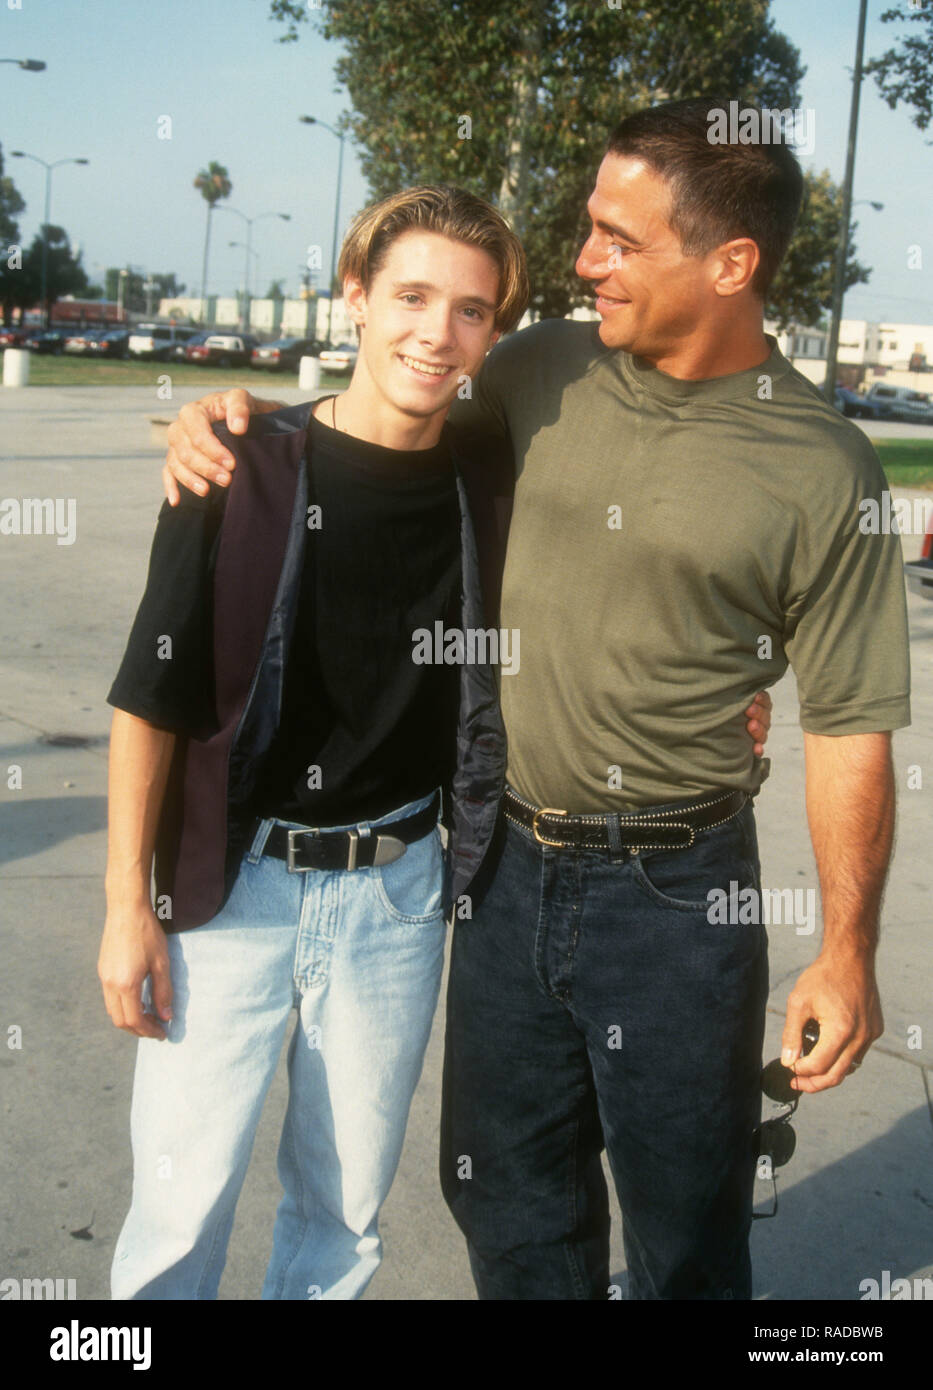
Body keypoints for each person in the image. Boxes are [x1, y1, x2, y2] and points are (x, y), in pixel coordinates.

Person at [165, 96, 903, 1305]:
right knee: (506, 1198)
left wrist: (849, 948)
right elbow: (379, 435)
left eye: (619, 237)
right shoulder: (540, 367)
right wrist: (237, 430)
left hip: (677, 903)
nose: (582, 261)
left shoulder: (824, 466)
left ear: (731, 263)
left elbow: (852, 728)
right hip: (499, 868)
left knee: (684, 1227)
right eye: (588, 228)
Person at [99, 184, 532, 1300]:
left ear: (495, 332)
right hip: (231, 890)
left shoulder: (488, 480)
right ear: (355, 298)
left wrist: (733, 686)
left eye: (472, 311)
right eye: (413, 296)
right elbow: (149, 697)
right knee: (180, 1209)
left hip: (396, 898)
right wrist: (122, 910)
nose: (437, 333)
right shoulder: (240, 465)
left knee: (341, 1217)